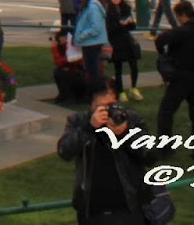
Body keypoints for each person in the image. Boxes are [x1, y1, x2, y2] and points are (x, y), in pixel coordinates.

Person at [56, 76, 160, 225]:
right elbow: (64, 151)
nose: (108, 112)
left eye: (112, 105)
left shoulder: (131, 119)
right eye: (102, 107)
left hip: (130, 209)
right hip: (94, 213)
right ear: (91, 105)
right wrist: (88, 128)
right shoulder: (78, 122)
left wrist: (126, 133)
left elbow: (151, 156)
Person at [154, 0, 194, 160]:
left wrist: (164, 54)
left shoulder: (180, 32)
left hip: (181, 76)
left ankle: (165, 147)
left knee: (166, 112)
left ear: (181, 16)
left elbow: (160, 40)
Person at [104, 0, 143, 103]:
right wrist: (120, 24)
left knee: (133, 64)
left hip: (127, 41)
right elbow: (109, 29)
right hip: (116, 42)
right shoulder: (109, 12)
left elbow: (132, 27)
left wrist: (129, 23)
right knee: (118, 68)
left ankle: (133, 87)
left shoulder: (126, 9)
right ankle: (121, 91)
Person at [71, 0, 109, 91]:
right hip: (90, 42)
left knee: (94, 71)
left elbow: (96, 28)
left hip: (92, 42)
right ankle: (94, 92)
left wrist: (82, 36)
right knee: (91, 70)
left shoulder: (92, 7)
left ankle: (97, 93)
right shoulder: (90, 5)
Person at [51, 34, 92, 105]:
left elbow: (61, 62)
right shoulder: (63, 48)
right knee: (60, 72)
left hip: (84, 79)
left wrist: (54, 49)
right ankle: (65, 96)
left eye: (61, 36)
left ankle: (69, 98)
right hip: (78, 76)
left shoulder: (75, 47)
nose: (58, 39)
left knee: (60, 73)